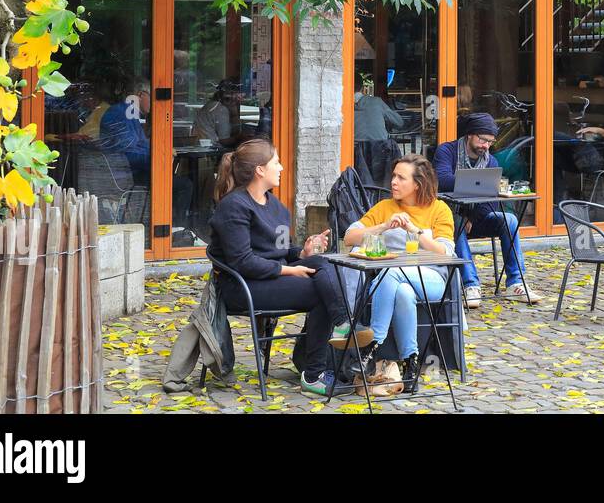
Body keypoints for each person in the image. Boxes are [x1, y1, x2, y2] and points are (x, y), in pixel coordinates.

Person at [206, 138, 357, 396]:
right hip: (241, 287)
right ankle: (318, 366)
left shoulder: (275, 206)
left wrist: (302, 252)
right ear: (259, 170)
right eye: (276, 162)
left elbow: (279, 250)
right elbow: (243, 262)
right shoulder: (234, 207)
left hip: (271, 280)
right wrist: (290, 270)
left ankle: (339, 330)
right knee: (321, 290)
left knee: (325, 262)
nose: (282, 167)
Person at [343, 154, 455, 394]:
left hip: (430, 277)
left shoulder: (439, 209)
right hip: (389, 282)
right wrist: (384, 226)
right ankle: (411, 363)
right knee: (401, 290)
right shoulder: (385, 208)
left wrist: (414, 231)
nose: (393, 181)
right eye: (393, 176)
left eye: (400, 178)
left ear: (418, 184)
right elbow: (349, 238)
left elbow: (446, 253)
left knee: (393, 272)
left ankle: (373, 344)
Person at [434, 112, 541, 307]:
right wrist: (477, 184)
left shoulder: (491, 161)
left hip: (475, 218)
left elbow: (491, 200)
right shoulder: (446, 151)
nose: (486, 146)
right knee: (455, 222)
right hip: (446, 221)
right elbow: (442, 181)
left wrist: (471, 216)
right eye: (482, 140)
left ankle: (516, 283)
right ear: (469, 135)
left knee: (509, 220)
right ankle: (470, 285)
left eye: (490, 142)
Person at [353, 72, 407, 142]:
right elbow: (399, 122)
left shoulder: (341, 105)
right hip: (379, 147)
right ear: (362, 88)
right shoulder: (376, 102)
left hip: (355, 148)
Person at [193, 78, 244, 147]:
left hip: (201, 146)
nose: (241, 98)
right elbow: (224, 141)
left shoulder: (211, 105)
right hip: (211, 149)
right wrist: (242, 138)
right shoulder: (220, 109)